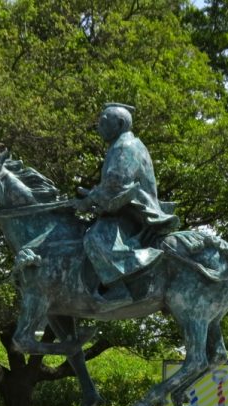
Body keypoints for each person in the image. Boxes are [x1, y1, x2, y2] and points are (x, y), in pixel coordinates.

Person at [74, 103, 180, 308]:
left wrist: (88, 201)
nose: (99, 127)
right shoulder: (121, 145)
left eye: (104, 123)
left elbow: (116, 183)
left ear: (120, 123)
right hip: (124, 208)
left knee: (95, 238)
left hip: (135, 212)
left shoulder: (125, 146)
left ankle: (118, 289)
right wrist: (93, 195)